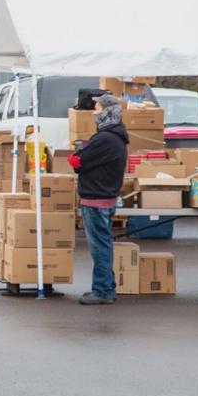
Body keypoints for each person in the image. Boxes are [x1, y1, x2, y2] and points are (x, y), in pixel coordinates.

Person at [68, 93, 128, 305]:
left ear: (107, 112)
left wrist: (78, 156)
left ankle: (102, 290)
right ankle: (106, 286)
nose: (95, 113)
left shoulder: (105, 139)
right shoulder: (115, 137)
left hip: (96, 199)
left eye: (98, 108)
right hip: (104, 197)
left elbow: (77, 161)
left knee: (100, 247)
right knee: (103, 244)